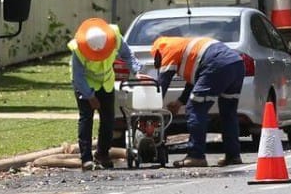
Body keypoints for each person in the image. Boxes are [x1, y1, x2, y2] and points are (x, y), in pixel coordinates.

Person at [151, 36, 246, 168]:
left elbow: (162, 84)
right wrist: (179, 102)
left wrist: (152, 110)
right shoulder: (184, 48)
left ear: (157, 53)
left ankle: (196, 156)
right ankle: (233, 155)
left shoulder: (166, 49)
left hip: (216, 63)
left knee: (195, 108)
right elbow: (195, 82)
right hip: (236, 63)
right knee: (228, 112)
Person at [68, 17, 141, 171]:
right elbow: (78, 77)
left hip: (106, 83)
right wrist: (90, 96)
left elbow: (127, 54)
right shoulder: (78, 48)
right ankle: (86, 159)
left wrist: (136, 70)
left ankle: (102, 154)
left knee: (108, 120)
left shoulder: (114, 36)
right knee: (86, 119)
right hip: (85, 84)